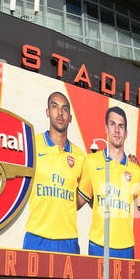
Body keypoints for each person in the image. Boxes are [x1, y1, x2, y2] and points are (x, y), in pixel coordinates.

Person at [22, 90, 92, 254]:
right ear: (48, 112)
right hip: (36, 236)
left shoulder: (79, 156)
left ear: (70, 118)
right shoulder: (32, 144)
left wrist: (65, 205)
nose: (60, 113)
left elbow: (84, 193)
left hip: (68, 239)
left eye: (65, 109)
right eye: (55, 107)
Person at [80, 106, 140, 259]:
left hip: (126, 247)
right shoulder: (91, 161)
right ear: (106, 128)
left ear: (126, 133)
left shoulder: (135, 170)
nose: (116, 130)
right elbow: (81, 199)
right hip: (98, 244)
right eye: (112, 124)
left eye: (121, 126)